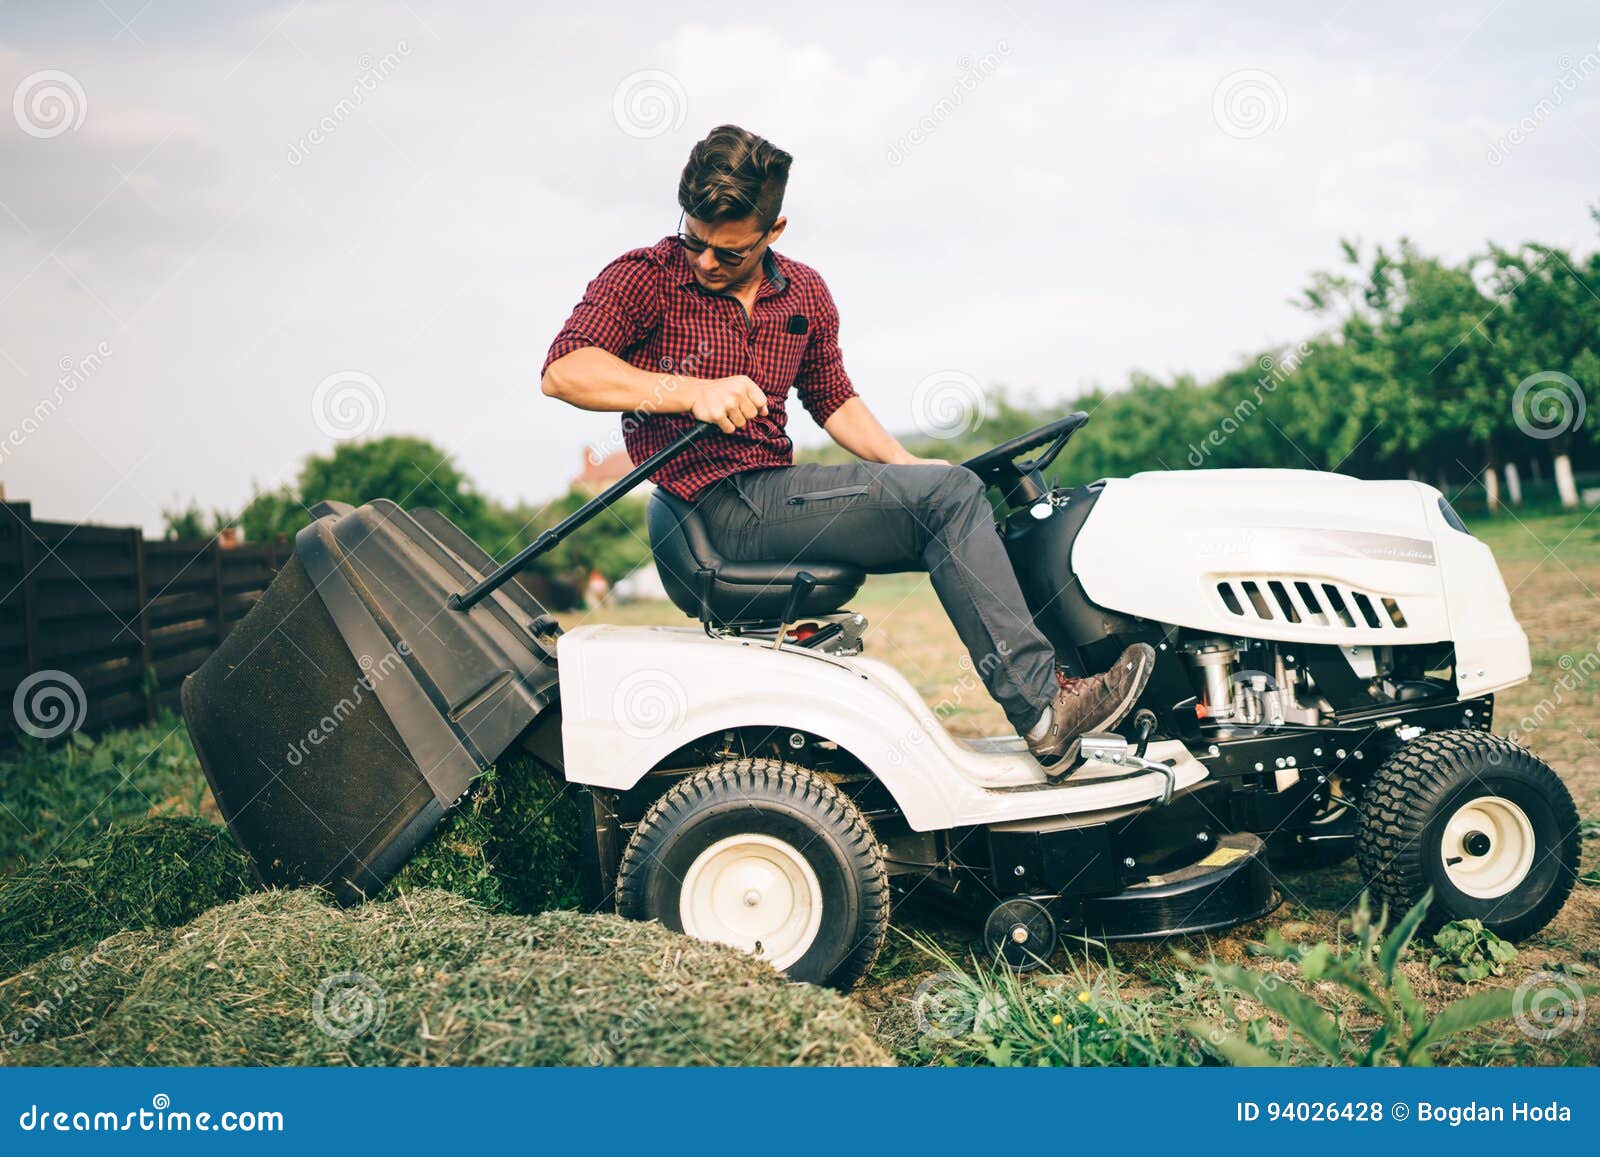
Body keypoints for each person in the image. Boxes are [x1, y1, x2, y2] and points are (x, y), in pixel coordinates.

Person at [540, 124, 1152, 773]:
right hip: (720, 505)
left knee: (954, 495)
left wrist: (909, 467)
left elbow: (833, 398)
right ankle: (1043, 709)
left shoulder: (804, 292)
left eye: (729, 251)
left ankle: (1065, 684)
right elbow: (565, 370)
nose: (705, 262)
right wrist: (688, 390)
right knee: (949, 501)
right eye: (695, 240)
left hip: (774, 493)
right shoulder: (646, 277)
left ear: (773, 232)